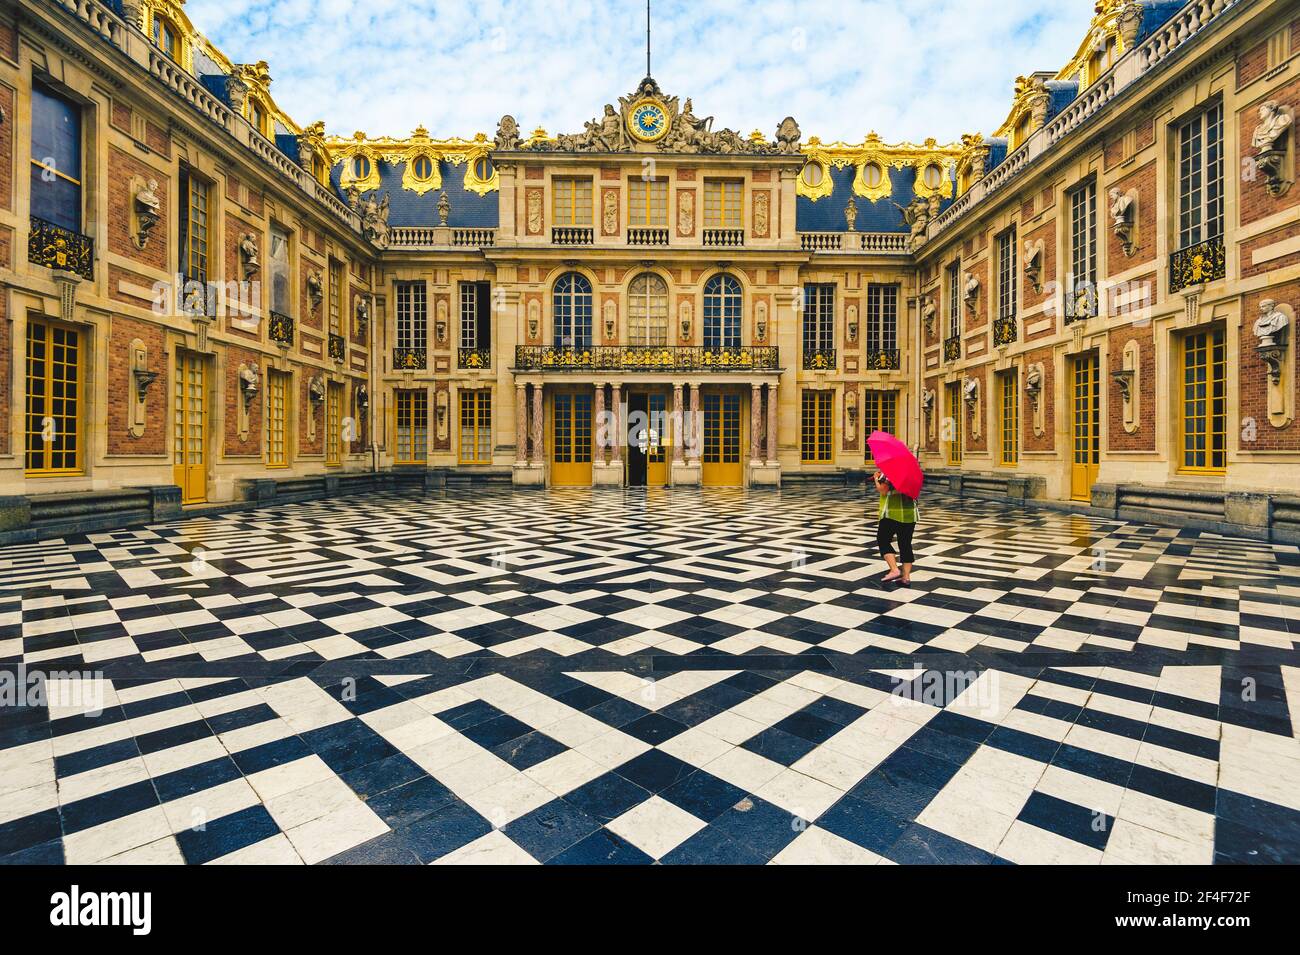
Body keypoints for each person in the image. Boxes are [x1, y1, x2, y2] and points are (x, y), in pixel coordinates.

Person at [874, 470, 917, 585]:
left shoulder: (890, 472)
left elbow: (883, 490)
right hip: (909, 514)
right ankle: (906, 577)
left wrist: (876, 479)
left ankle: (894, 569)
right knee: (905, 544)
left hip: (891, 513)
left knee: (883, 540)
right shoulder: (913, 474)